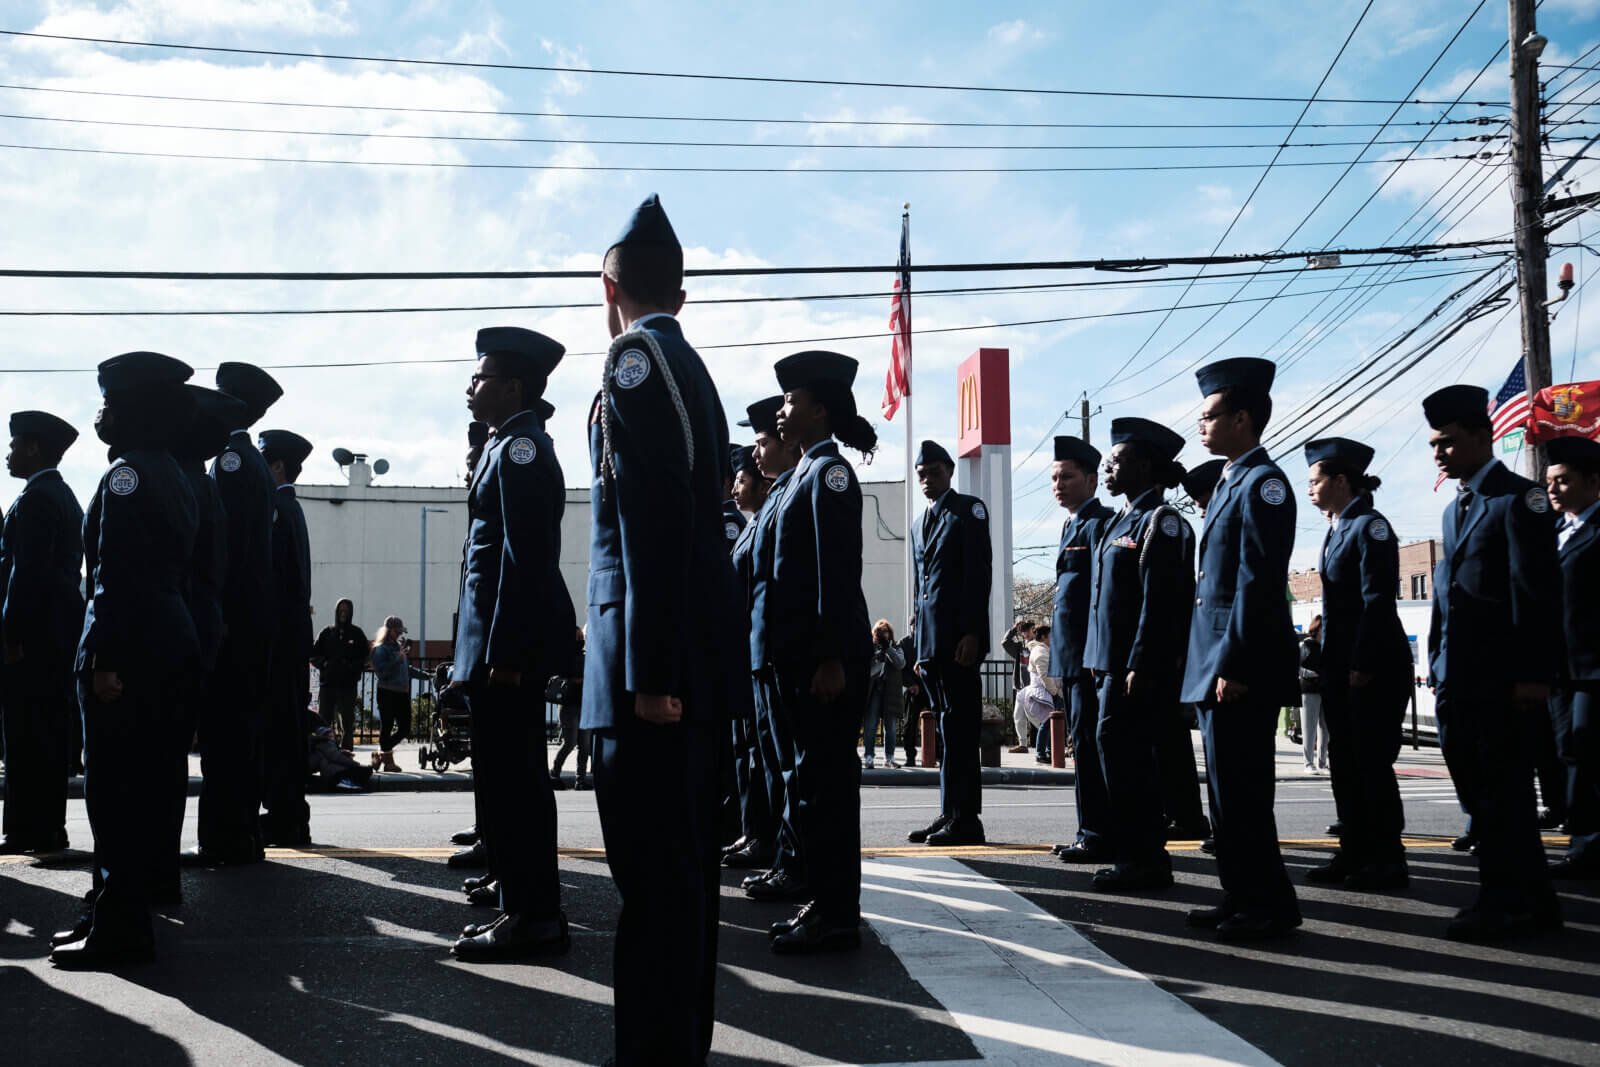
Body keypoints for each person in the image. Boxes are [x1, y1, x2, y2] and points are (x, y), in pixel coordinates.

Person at [581, 194, 737, 1065]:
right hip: (683, 666)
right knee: (682, 881)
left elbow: (651, 522)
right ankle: (673, 1045)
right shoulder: (691, 366)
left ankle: (654, 1052)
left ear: (609, 285)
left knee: (654, 882)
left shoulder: (634, 361)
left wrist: (648, 671)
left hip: (654, 681)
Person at [52, 351, 199, 969]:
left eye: (110, 403)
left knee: (114, 795)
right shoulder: (172, 471)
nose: (100, 416)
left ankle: (119, 929)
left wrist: (104, 659)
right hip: (166, 642)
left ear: (134, 410)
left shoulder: (127, 476)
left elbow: (116, 577)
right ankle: (118, 910)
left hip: (129, 651)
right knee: (140, 794)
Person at [450, 324, 577, 962]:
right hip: (493, 647)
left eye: (481, 378)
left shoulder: (523, 449)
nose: (471, 388)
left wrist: (505, 652)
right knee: (502, 780)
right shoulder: (506, 446)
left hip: (509, 652)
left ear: (513, 386)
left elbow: (527, 563)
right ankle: (518, 902)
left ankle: (535, 915)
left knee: (519, 782)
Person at [1423, 384, 1562, 941]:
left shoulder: (1518, 500)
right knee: (1483, 801)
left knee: (1505, 801)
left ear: (1485, 437)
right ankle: (1517, 901)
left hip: (1504, 683)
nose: (1439, 454)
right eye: (1434, 445)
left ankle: (1513, 907)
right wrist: (1437, 665)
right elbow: (1449, 597)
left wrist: (1533, 675)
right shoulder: (1456, 508)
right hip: (1461, 680)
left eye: (1450, 443)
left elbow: (1535, 593)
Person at [1181, 357, 1301, 943]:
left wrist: (1234, 662)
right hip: (1214, 664)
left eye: (1210, 415)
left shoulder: (1264, 484)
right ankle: (1241, 895)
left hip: (1239, 666)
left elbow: (1256, 581)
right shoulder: (1231, 480)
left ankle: (1269, 905)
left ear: (1244, 418)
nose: (1201, 425)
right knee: (1224, 797)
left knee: (1246, 795)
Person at [760, 349, 874, 955]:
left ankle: (837, 915)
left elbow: (836, 571)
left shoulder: (831, 473)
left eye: (791, 401)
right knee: (810, 786)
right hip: (800, 657)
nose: (783, 411)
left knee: (827, 788)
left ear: (820, 410)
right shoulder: (802, 474)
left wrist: (830, 656)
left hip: (824, 660)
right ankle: (824, 902)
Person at [1082, 417, 1195, 893]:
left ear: (1146, 466)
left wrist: (1142, 662)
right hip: (1111, 664)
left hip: (1136, 668)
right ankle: (1136, 854)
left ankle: (1146, 859)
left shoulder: (1160, 521)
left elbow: (1162, 600)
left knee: (1134, 762)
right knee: (1117, 757)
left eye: (1118, 460)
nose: (1108, 467)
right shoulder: (1119, 521)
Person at [1302, 437, 1413, 891]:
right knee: (1346, 766)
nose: (1309, 489)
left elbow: (1376, 601)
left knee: (1370, 767)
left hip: (1372, 668)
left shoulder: (1370, 527)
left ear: (1341, 480)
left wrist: (1363, 663)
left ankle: (1387, 860)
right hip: (1340, 667)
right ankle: (1354, 852)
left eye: (1315, 481)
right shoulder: (1337, 528)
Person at [183, 361, 280, 868]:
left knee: (226, 734)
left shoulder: (230, 461)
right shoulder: (251, 461)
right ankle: (240, 834)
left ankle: (223, 838)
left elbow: (227, 550)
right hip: (252, 619)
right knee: (241, 733)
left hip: (234, 620)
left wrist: (215, 616)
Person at [0, 411, 83, 855]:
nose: (8, 454)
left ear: (33, 448)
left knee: (25, 736)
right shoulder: (64, 497)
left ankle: (25, 829)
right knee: (50, 735)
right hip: (57, 635)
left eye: (14, 446)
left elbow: (23, 575)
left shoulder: (35, 499)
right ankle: (48, 826)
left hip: (31, 639)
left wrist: (11, 636)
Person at [907, 439, 993, 847]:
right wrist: (920, 648)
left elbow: (978, 576)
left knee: (960, 729)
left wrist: (973, 633)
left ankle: (967, 819)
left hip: (959, 641)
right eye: (921, 474)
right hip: (933, 644)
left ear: (949, 472)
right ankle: (950, 811)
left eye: (934, 473)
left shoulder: (967, 511)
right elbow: (921, 587)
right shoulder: (919, 522)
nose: (927, 480)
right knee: (945, 729)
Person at [737, 395, 802, 880]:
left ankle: (794, 863)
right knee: (772, 762)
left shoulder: (813, 483)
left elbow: (819, 577)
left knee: (792, 768)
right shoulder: (779, 497)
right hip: (762, 651)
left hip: (786, 650)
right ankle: (782, 855)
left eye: (762, 443)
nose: (755, 457)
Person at [1045, 435, 1117, 863]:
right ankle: (1087, 829)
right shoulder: (1071, 525)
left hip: (1088, 658)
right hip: (1071, 658)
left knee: (1091, 747)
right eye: (1054, 478)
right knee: (1082, 745)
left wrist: (1092, 654)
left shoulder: (1098, 524)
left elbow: (1098, 597)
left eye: (1067, 476)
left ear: (1092, 480)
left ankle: (1098, 832)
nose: (1059, 484)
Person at [1546, 435, 1600, 879]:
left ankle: (1588, 842)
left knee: (1586, 750)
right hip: (1560, 665)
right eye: (1550, 481)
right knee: (1567, 748)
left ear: (1592, 482)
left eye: (1563, 481)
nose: (1553, 489)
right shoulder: (1557, 531)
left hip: (1594, 666)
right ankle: (1582, 835)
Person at [258, 428, 315, 849]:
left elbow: (278, 586)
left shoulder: (278, 510)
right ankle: (289, 815)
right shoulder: (290, 509)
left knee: (280, 732)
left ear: (276, 466)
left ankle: (286, 816)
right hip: (291, 639)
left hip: (280, 639)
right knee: (285, 731)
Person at [722, 442, 771, 862]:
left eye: (741, 480)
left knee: (758, 751)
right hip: (740, 655)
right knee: (744, 750)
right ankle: (749, 828)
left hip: (754, 653)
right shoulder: (751, 525)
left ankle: (762, 835)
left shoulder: (749, 527)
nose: (736, 488)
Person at [312, 599, 369, 748]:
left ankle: (347, 757)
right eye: (340, 610)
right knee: (324, 722)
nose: (343, 613)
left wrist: (352, 667)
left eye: (346, 611)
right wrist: (325, 664)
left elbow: (365, 657)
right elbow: (313, 654)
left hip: (348, 686)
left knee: (348, 723)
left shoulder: (357, 634)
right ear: (336, 612)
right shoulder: (327, 632)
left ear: (350, 613)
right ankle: (325, 752)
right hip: (328, 684)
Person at [370, 618, 416, 772]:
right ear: (388, 630)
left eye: (400, 632)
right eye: (397, 631)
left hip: (402, 692)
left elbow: (406, 669)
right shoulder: (380, 649)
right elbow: (381, 672)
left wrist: (427, 676)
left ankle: (380, 754)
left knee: (405, 728)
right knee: (387, 725)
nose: (398, 635)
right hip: (387, 692)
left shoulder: (399, 647)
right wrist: (398, 658)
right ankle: (388, 762)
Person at [550, 627, 590, 790]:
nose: (580, 641)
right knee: (570, 742)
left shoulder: (587, 658)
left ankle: (580, 780)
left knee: (585, 746)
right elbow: (559, 677)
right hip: (568, 707)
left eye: (582, 638)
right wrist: (578, 680)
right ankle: (554, 773)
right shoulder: (562, 658)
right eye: (577, 638)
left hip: (585, 705)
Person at [1012, 624, 1059, 759]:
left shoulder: (1043, 650)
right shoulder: (1040, 651)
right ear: (1044, 637)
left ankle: (1048, 751)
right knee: (1046, 723)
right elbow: (1044, 675)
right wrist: (1054, 691)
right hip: (1043, 691)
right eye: (1050, 636)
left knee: (1049, 723)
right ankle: (1041, 753)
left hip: (1045, 690)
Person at [865, 620, 906, 769]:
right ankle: (869, 757)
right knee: (870, 724)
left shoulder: (896, 648)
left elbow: (901, 663)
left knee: (891, 726)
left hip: (891, 691)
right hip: (874, 690)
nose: (882, 634)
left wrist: (888, 649)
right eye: (879, 632)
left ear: (890, 634)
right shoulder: (870, 649)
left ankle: (889, 758)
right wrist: (877, 654)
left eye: (885, 632)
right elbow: (868, 670)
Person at [1299, 616, 1327, 773]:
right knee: (1309, 729)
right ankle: (1308, 763)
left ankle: (1323, 762)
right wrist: (1308, 673)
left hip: (1325, 689)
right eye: (1323, 629)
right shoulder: (1305, 645)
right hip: (1309, 690)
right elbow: (1294, 666)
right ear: (1316, 629)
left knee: (1325, 729)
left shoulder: (1326, 646)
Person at [307, 725, 373, 792]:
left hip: (332, 771)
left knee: (363, 770)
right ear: (324, 736)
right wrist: (355, 764)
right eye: (330, 736)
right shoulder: (325, 743)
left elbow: (336, 756)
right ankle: (344, 782)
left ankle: (348, 782)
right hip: (334, 773)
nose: (332, 738)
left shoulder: (322, 744)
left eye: (332, 736)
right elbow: (337, 757)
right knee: (365, 770)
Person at [897, 632, 924, 767]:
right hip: (914, 688)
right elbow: (901, 668)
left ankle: (937, 753)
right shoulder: (905, 642)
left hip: (925, 685)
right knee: (910, 723)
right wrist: (910, 684)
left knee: (936, 722)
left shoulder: (906, 642)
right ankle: (910, 756)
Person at [1001, 618, 1035, 698]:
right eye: (1023, 630)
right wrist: (1015, 628)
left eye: (1028, 629)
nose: (1026, 632)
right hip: (1021, 688)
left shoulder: (1040, 646)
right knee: (1018, 711)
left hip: (1035, 688)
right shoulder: (1019, 647)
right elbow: (1005, 642)